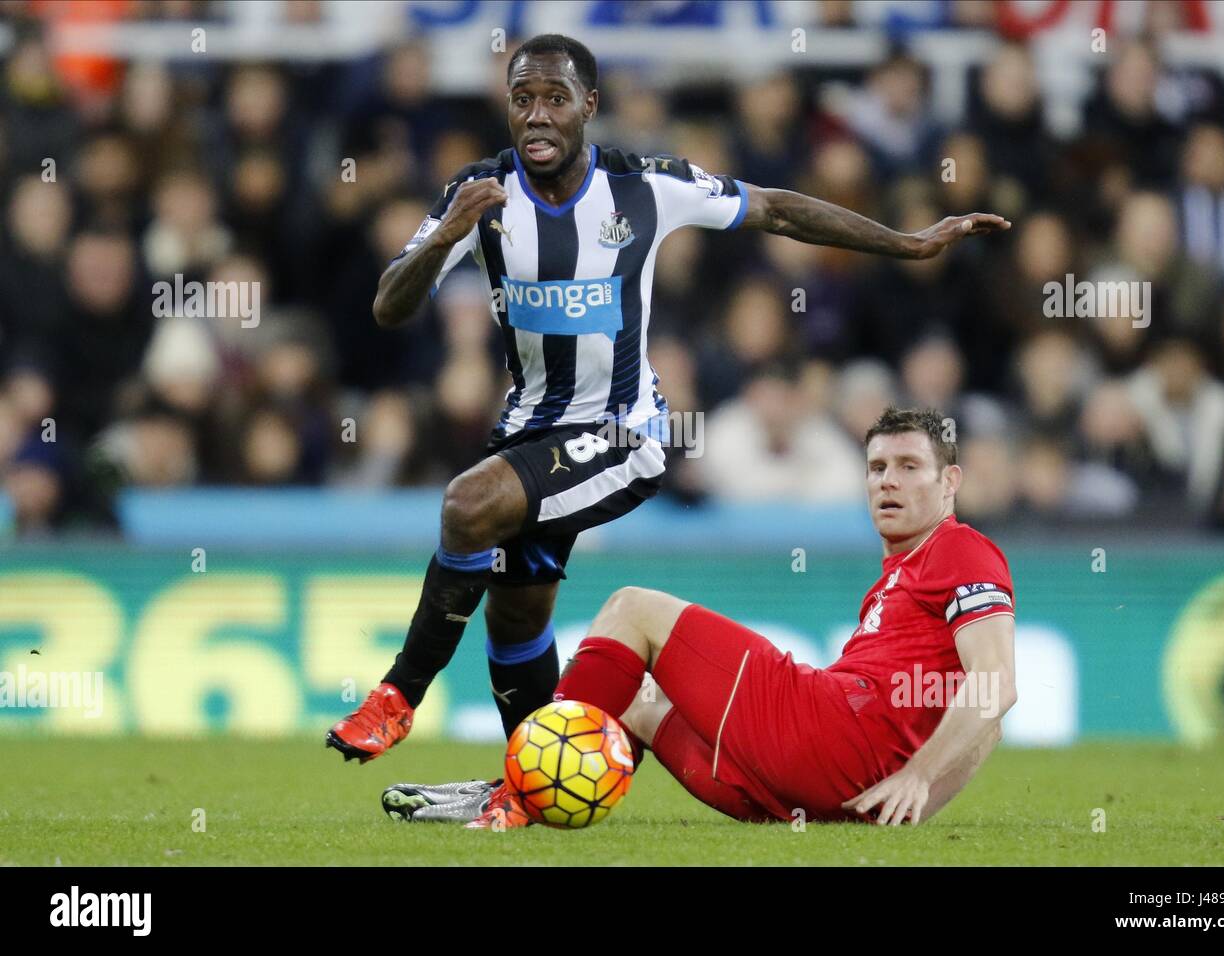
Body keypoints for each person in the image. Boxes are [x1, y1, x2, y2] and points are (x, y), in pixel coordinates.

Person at [327, 33, 1011, 764]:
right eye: (521, 99)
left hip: (626, 432)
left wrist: (907, 244)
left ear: (589, 105)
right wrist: (441, 241)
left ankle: (398, 696)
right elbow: (388, 307)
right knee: (515, 615)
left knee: (467, 507)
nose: (536, 116)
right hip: (531, 430)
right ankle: (526, 783)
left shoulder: (644, 186)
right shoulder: (481, 194)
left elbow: (776, 209)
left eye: (554, 99)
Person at [384, 407, 1017, 828]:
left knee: (633, 609)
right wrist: (911, 802)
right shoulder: (900, 574)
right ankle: (522, 801)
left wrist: (918, 776)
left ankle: (514, 794)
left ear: (951, 481)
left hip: (829, 735)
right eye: (877, 467)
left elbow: (996, 684)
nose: (888, 482)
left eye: (910, 468)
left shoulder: (960, 548)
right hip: (822, 794)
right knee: (634, 703)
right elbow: (988, 721)